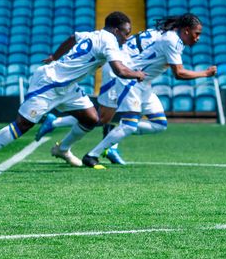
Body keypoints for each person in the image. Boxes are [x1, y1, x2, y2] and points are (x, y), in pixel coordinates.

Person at [0, 12, 146, 173]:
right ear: (116, 30)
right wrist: (137, 74)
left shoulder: (93, 35)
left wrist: (55, 56)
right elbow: (120, 71)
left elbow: (72, 37)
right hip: (50, 83)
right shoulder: (109, 41)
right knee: (24, 124)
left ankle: (62, 149)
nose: (126, 38)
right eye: (125, 33)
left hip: (67, 86)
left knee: (91, 118)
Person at [73, 13, 217, 168]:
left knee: (159, 124)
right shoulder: (172, 40)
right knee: (128, 125)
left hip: (144, 83)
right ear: (187, 30)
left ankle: (114, 132)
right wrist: (205, 73)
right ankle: (92, 155)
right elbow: (179, 73)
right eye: (197, 34)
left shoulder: (171, 37)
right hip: (132, 80)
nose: (198, 38)